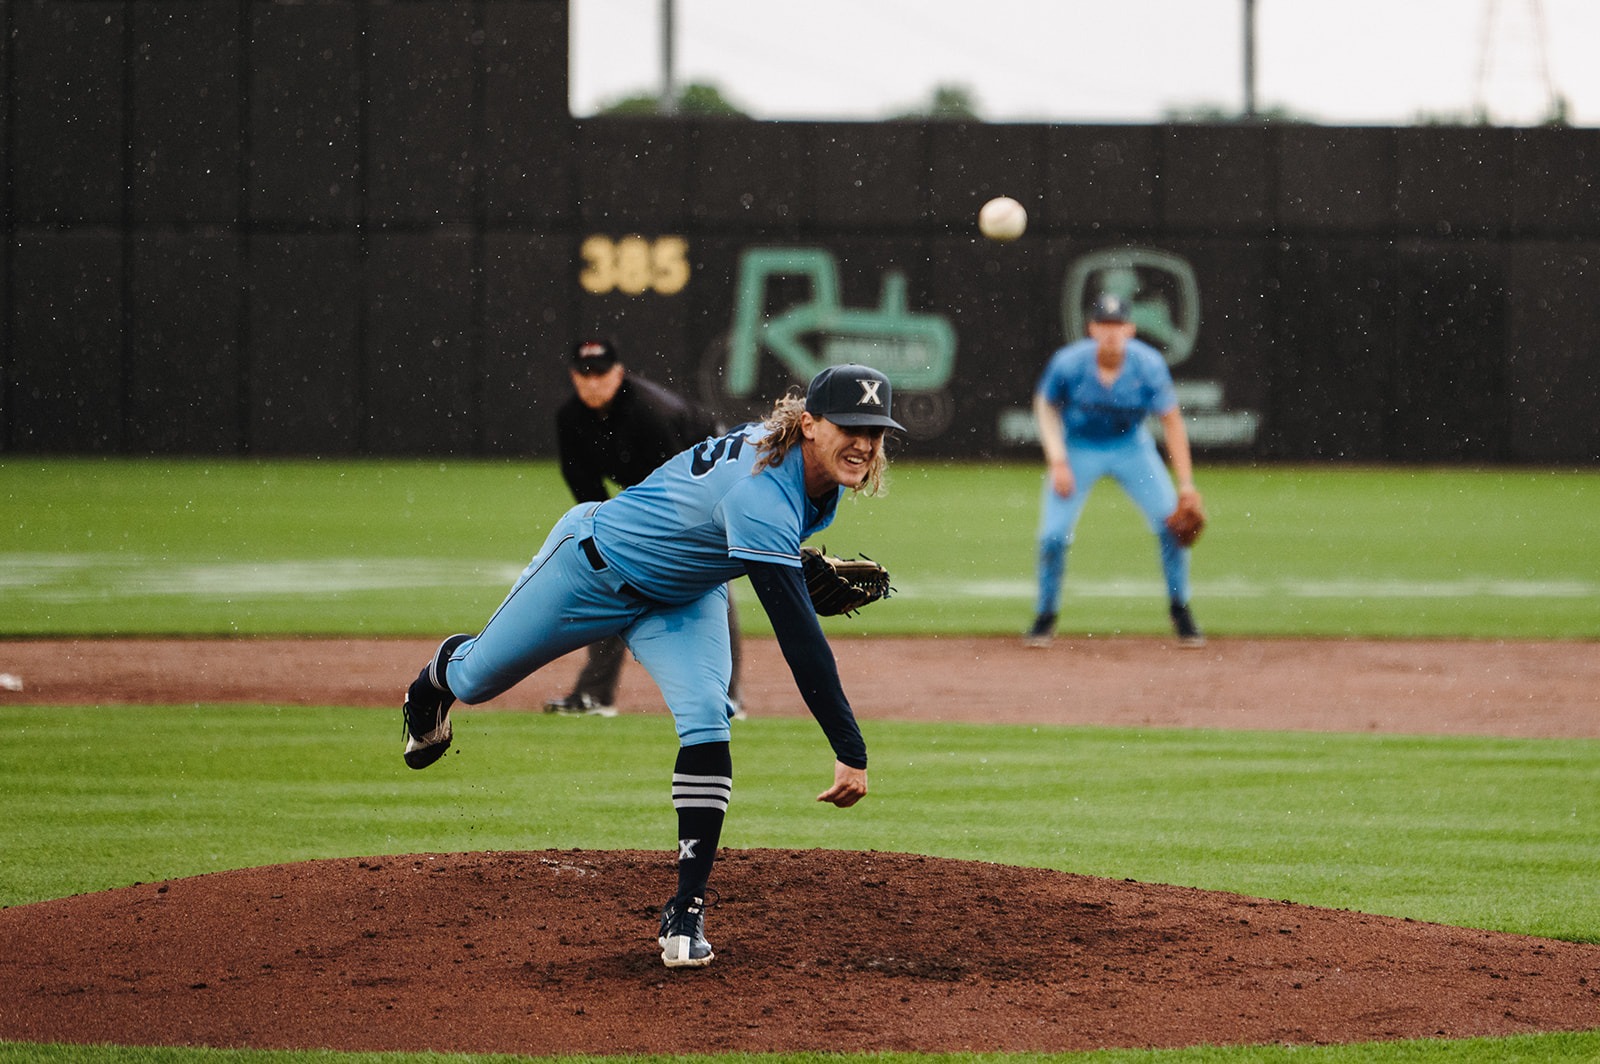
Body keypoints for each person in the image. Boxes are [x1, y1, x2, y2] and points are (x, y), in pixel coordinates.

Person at [401, 363, 901, 969]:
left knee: (708, 719)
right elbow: (800, 641)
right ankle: (433, 681)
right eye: (850, 426)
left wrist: (786, 559)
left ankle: (684, 913)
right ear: (809, 424)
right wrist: (849, 745)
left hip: (683, 599)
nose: (864, 443)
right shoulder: (763, 490)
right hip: (589, 569)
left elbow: (718, 515)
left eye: (875, 430)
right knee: (477, 680)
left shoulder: (810, 475)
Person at [547, 338, 743, 718]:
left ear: (618, 373)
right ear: (573, 376)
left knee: (710, 580)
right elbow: (584, 487)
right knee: (605, 569)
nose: (593, 382)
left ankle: (727, 697)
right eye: (584, 374)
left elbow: (683, 486)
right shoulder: (570, 419)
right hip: (654, 488)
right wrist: (607, 537)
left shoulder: (651, 413)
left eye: (601, 373)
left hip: (715, 481)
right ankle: (594, 695)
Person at [1027, 292, 1206, 648]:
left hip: (1131, 447)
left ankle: (1180, 609)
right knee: (1052, 537)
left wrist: (1186, 483)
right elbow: (1045, 406)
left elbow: (1171, 423)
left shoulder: (1149, 365)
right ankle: (1045, 616)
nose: (1111, 333)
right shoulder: (1069, 363)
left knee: (1173, 525)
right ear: (1092, 328)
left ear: (1131, 329)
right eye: (1104, 325)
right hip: (1078, 447)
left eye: (1118, 325)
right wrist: (1058, 459)